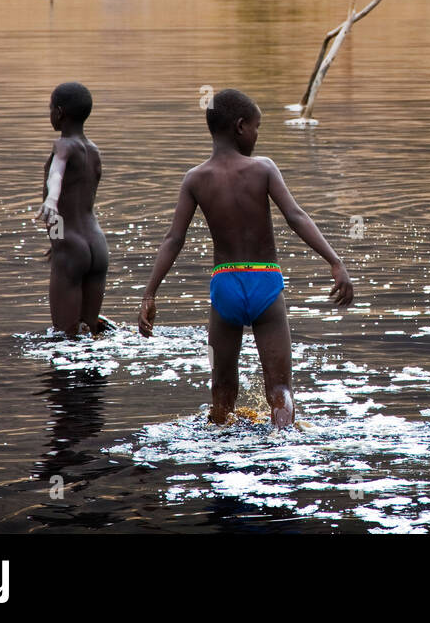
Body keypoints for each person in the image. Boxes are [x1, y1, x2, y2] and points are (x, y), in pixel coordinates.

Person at [138, 88, 353, 429]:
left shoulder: (195, 178)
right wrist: (335, 261)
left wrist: (150, 293)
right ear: (240, 127)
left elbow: (173, 239)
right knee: (280, 388)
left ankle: (221, 441)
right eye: (257, 127)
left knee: (222, 388)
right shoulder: (263, 169)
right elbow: (296, 216)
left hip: (225, 285)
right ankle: (282, 447)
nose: (257, 134)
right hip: (265, 282)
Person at [37, 82, 109, 337]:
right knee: (89, 335)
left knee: (64, 337)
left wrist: (51, 201)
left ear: (59, 112)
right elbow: (79, 200)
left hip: (70, 248)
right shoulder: (94, 151)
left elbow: (56, 174)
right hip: (97, 246)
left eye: (50, 109)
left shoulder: (63, 146)